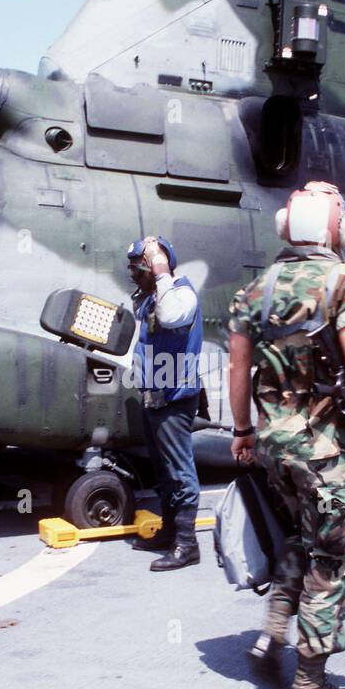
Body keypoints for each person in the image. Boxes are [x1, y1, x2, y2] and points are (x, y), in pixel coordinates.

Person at [226, 182, 345, 689]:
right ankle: (309, 683)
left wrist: (242, 431)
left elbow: (238, 368)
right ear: (335, 229)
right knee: (337, 555)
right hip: (324, 451)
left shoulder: (255, 289)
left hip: (273, 446)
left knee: (301, 541)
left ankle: (273, 634)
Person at [126, 235, 203, 571]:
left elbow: (171, 317)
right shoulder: (152, 296)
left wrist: (160, 271)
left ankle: (187, 544)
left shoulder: (180, 293)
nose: (132, 274)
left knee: (179, 472)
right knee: (161, 470)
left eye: (137, 267)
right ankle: (170, 531)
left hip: (174, 398)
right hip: (154, 396)